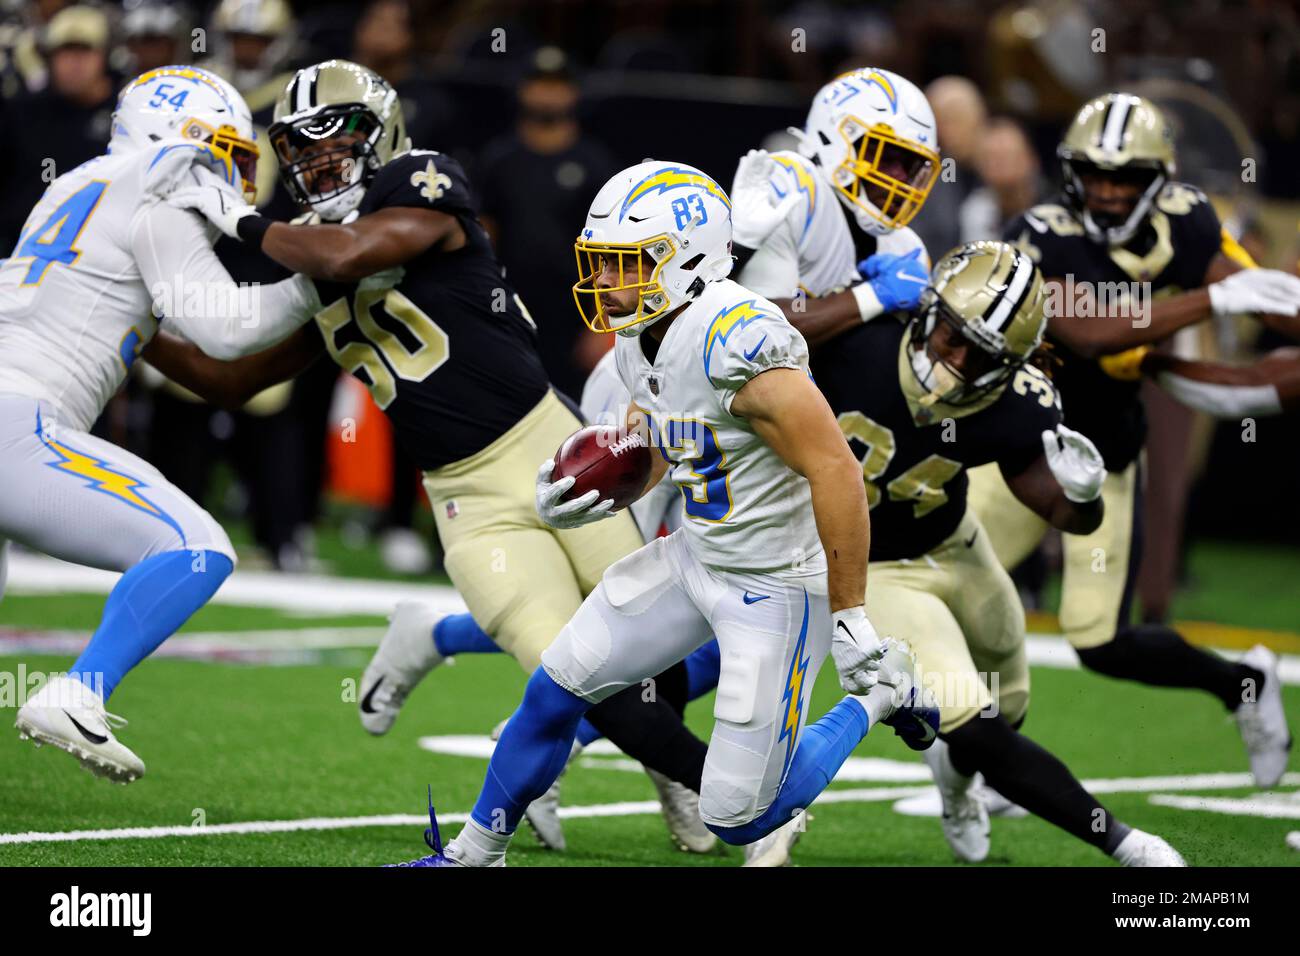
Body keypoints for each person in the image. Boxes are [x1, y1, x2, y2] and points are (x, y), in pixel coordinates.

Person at [148, 60, 726, 853]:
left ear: (379, 132)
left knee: (652, 640)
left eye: (334, 140)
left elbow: (354, 254)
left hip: (551, 446)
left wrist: (240, 222)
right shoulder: (314, 263)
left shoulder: (422, 181)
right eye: (300, 149)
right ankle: (745, 797)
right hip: (467, 502)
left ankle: (673, 778)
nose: (317, 161)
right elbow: (232, 379)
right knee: (580, 673)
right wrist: (134, 332)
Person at [392, 160, 939, 867]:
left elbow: (834, 467)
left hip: (775, 581)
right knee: (556, 688)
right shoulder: (640, 331)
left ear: (687, 262)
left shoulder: (738, 338)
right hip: (698, 552)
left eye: (625, 265)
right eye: (601, 264)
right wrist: (594, 492)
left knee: (739, 816)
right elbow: (663, 440)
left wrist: (850, 616)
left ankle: (881, 694)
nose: (605, 284)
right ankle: (474, 853)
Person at [809, 239, 1185, 865]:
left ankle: (954, 787)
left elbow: (1066, 514)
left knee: (1007, 705)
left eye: (977, 354)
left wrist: (1085, 496)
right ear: (927, 311)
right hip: (878, 568)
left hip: (957, 546)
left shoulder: (1015, 400)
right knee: (972, 721)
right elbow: (752, 335)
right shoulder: (858, 343)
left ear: (1010, 364)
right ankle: (1127, 846)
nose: (952, 359)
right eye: (948, 335)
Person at [970, 93, 1299, 787]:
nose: (1110, 192)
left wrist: (1246, 296)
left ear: (1159, 177)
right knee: (952, 588)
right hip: (1013, 448)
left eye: (1125, 177)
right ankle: (988, 748)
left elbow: (1264, 295)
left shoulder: (1187, 222)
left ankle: (1243, 684)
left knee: (1101, 640)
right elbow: (1087, 331)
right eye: (1095, 174)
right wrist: (1208, 299)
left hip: (1102, 457)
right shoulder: (1039, 232)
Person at [6, 66, 323, 781]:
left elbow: (217, 377)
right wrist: (319, 282)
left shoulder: (78, 186)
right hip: (18, 420)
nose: (233, 175)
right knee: (194, 547)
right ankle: (79, 694)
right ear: (181, 142)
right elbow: (228, 330)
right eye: (222, 152)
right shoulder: (161, 183)